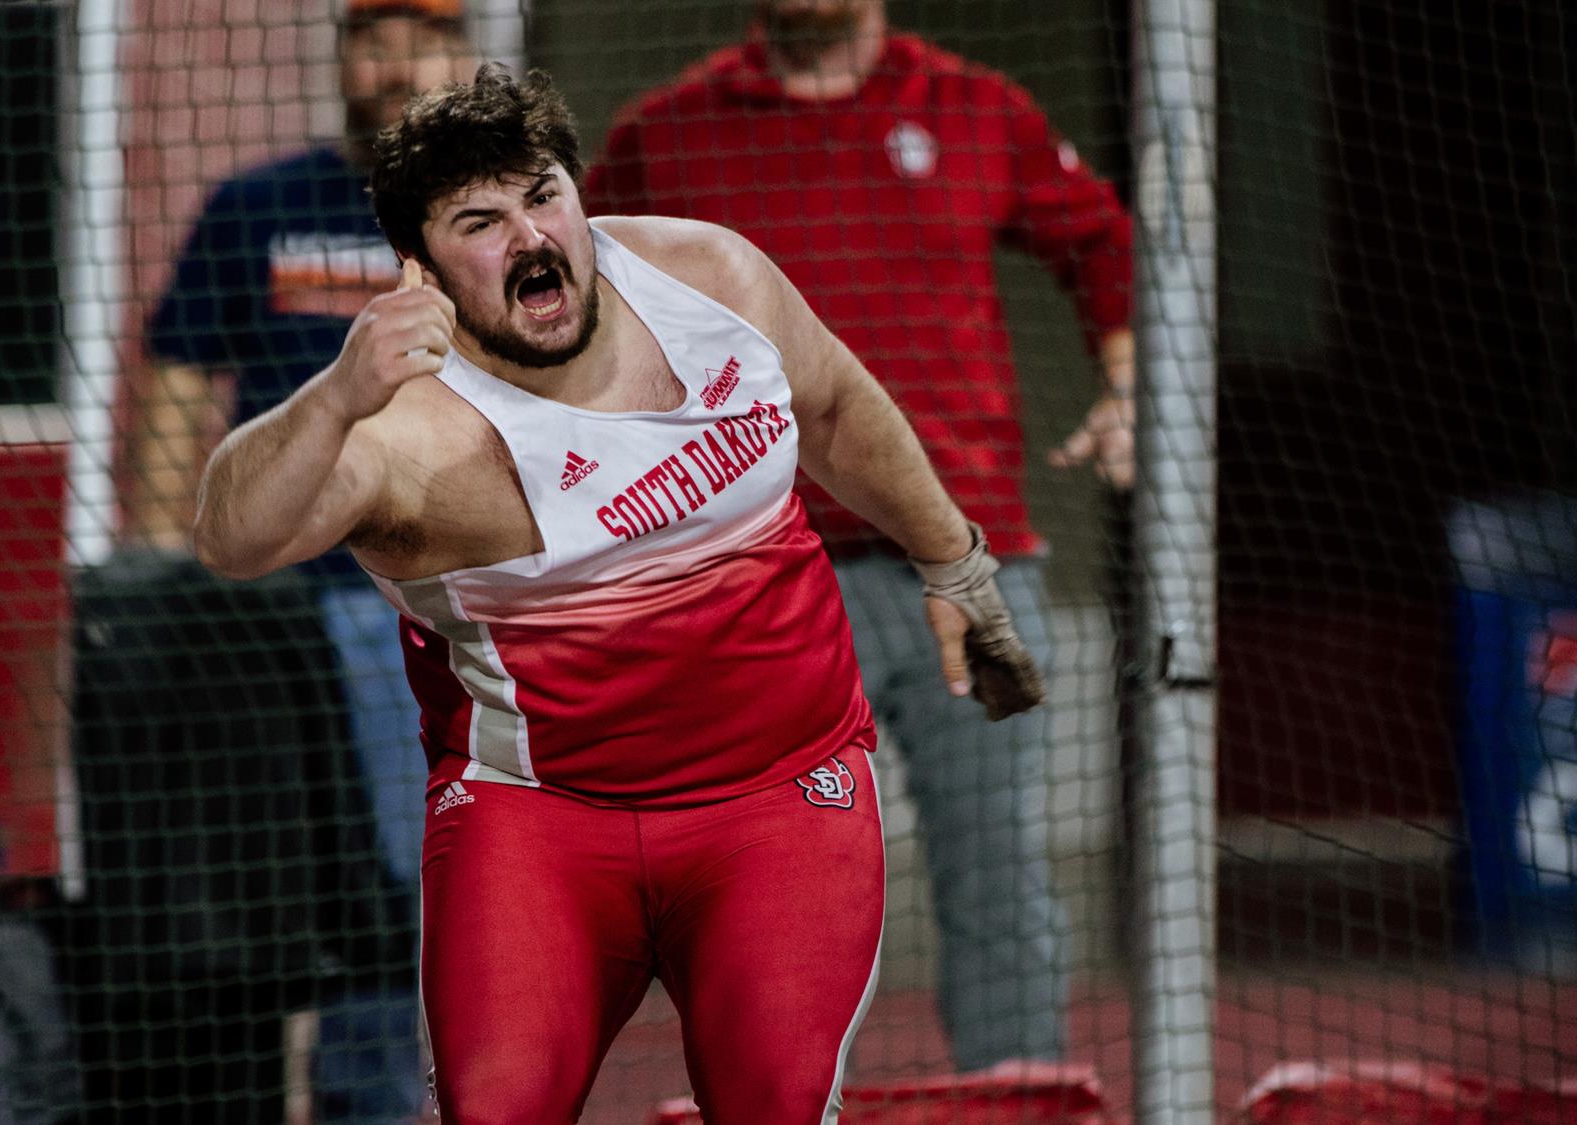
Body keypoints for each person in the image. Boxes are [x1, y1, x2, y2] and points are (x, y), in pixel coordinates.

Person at [194, 63, 1046, 1123]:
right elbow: (228, 537)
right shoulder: (401, 434)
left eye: (541, 195)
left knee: (778, 1105)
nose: (530, 237)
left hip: (780, 798)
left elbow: (830, 407)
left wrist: (954, 564)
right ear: (419, 269)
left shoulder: (709, 277)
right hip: (540, 826)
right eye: (480, 222)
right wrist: (331, 396)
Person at [584, 0, 1137, 1072]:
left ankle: (1012, 1098)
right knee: (774, 890)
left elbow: (1102, 239)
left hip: (969, 571)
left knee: (998, 872)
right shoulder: (667, 129)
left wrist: (1124, 387)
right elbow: (575, 301)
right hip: (755, 579)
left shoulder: (977, 108)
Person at [140, 1, 476, 1118]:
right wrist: (159, 568)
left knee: (417, 887)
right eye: (370, 38)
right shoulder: (257, 204)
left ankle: (391, 1099)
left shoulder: (481, 212)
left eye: (421, 38)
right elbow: (180, 377)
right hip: (281, 616)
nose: (394, 64)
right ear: (338, 56)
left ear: (459, 54)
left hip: (443, 605)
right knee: (269, 889)